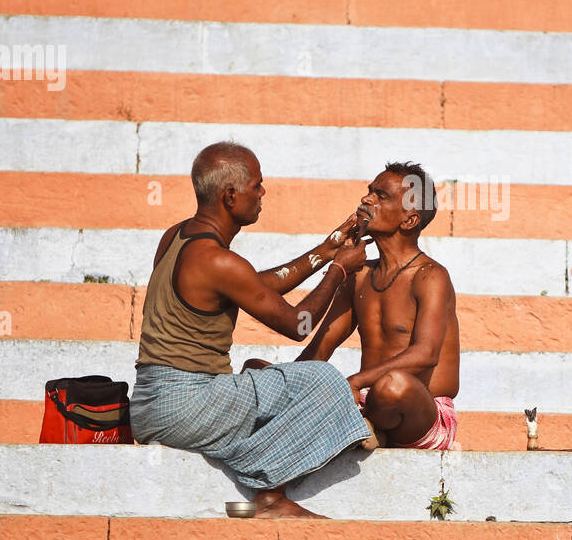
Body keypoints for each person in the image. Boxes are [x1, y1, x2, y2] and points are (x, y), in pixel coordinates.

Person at [129, 141, 371, 518]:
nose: (262, 193)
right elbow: (298, 324)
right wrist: (338, 271)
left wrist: (325, 250)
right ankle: (271, 496)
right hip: (186, 406)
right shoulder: (219, 260)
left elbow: (255, 286)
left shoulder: (177, 236)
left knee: (260, 371)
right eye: (256, 185)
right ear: (230, 196)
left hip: (148, 404)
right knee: (324, 381)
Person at [297, 161, 460, 450]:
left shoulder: (431, 276)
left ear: (409, 220)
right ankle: (367, 428)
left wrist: (356, 381)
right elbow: (320, 348)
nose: (366, 200)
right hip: (368, 404)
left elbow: (425, 354)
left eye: (381, 196)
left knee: (392, 385)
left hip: (421, 415)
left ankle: (362, 427)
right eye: (370, 191)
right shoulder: (358, 276)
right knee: (260, 372)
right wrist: (284, 386)